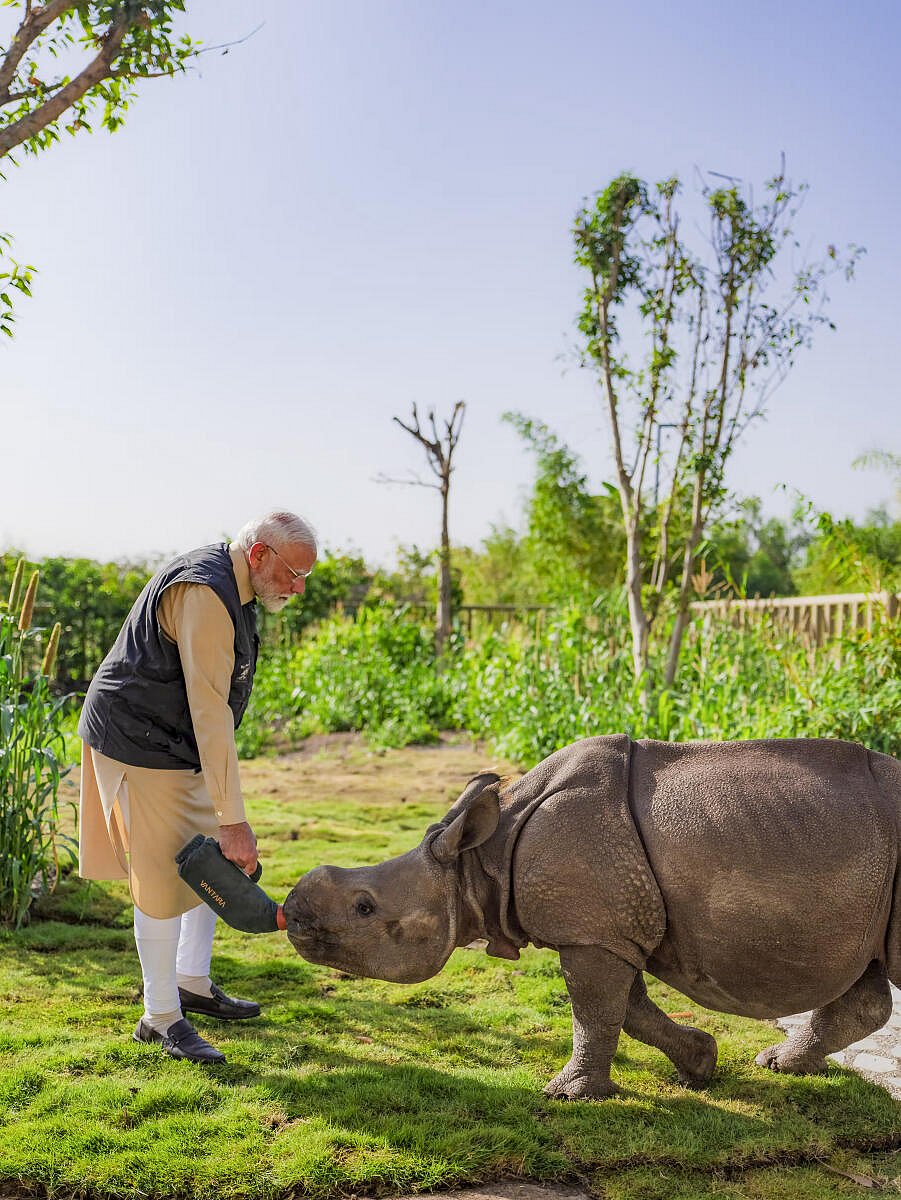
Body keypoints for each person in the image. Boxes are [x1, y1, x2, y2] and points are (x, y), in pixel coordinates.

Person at [78, 510, 318, 1064]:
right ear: (258, 554)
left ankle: (191, 981)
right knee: (163, 876)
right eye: (292, 574)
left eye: (305, 578)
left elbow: (211, 711)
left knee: (209, 862)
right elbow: (209, 709)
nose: (297, 589)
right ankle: (160, 1017)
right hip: (139, 741)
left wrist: (225, 820)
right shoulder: (206, 593)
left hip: (173, 741)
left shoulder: (240, 589)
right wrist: (234, 820)